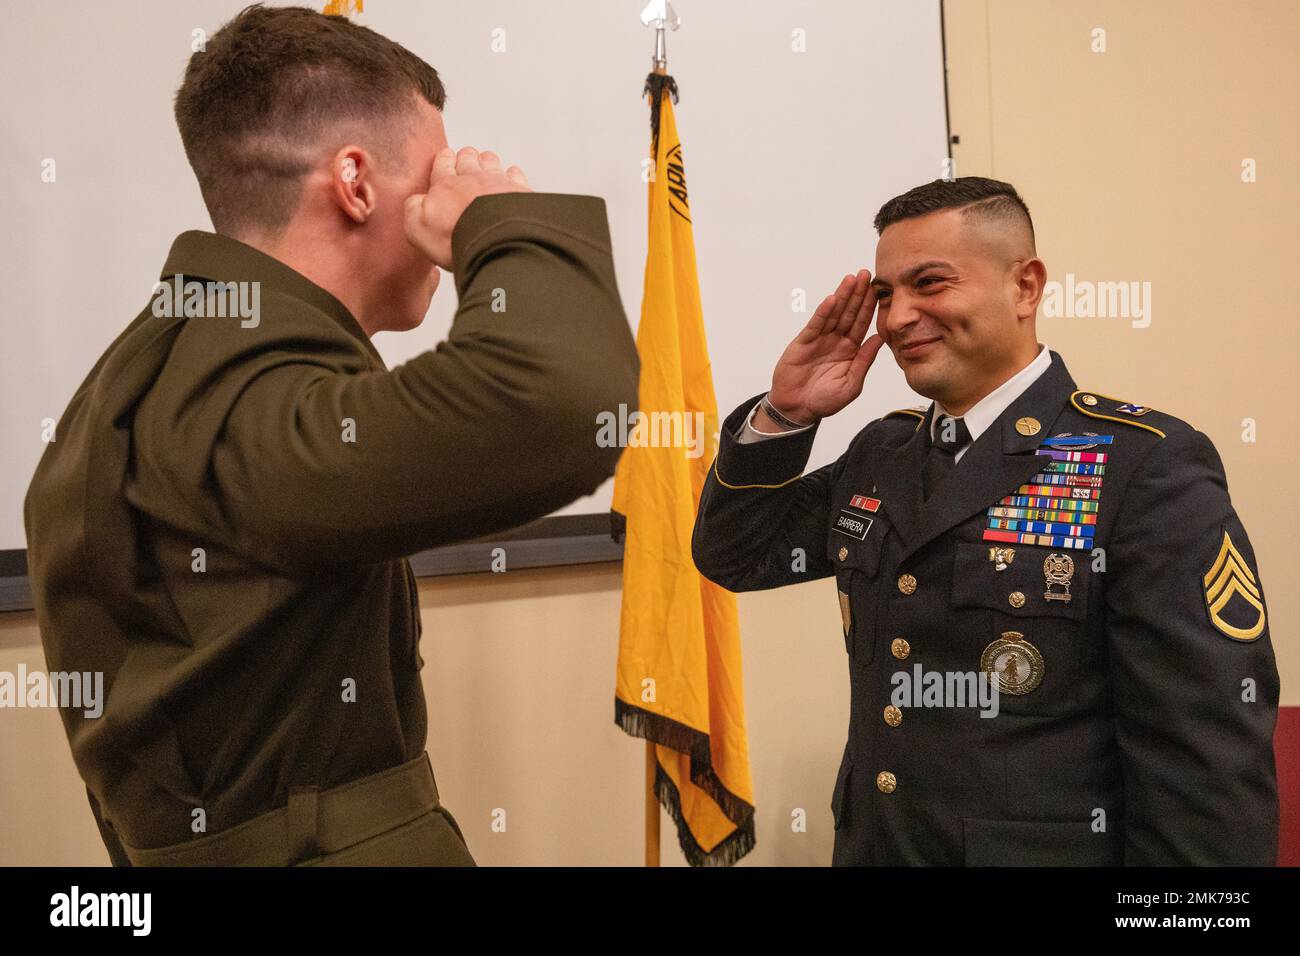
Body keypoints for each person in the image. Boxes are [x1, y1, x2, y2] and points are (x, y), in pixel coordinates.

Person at [23, 4, 638, 866]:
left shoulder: (145, 369)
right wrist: (502, 221)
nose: (446, 206)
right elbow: (563, 399)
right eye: (434, 179)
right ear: (354, 182)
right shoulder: (239, 385)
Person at [691, 176, 1279, 865]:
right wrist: (786, 417)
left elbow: (1202, 766)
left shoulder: (1140, 465)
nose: (899, 316)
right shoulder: (885, 452)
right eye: (884, 295)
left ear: (1025, 287)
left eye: (930, 284)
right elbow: (736, 557)